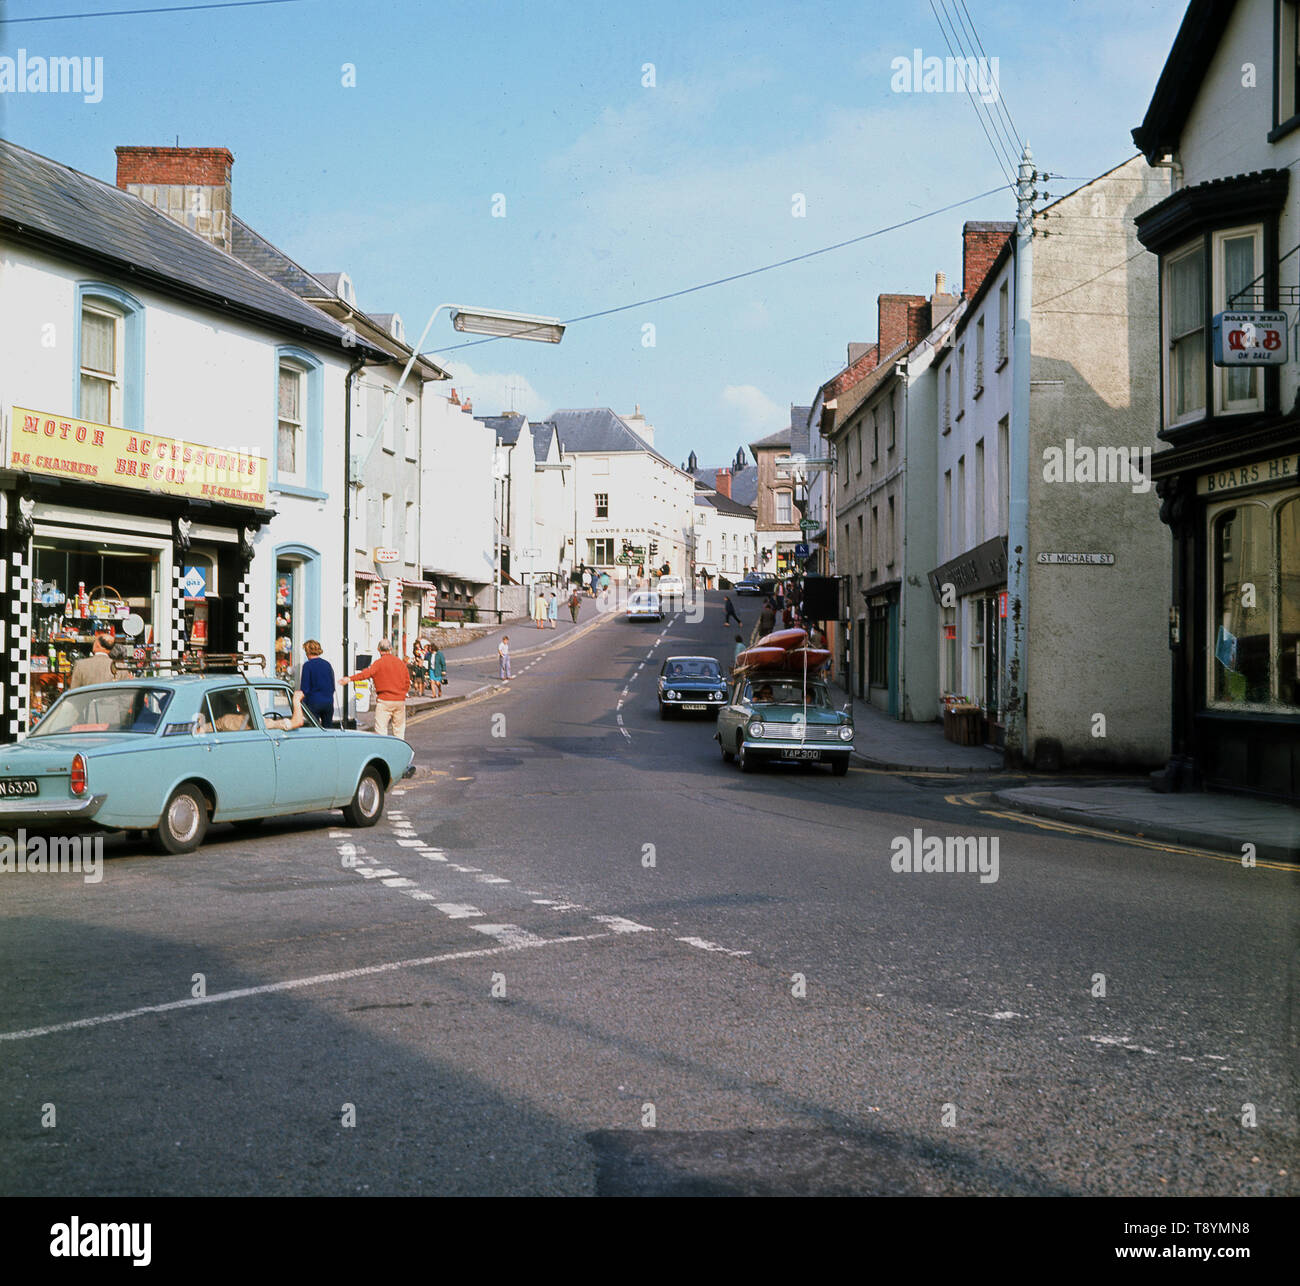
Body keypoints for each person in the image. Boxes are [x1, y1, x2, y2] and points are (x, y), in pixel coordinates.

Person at [339, 638, 411, 739]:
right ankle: (399, 751)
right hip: (399, 700)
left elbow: (365, 674)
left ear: (378, 649)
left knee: (381, 731)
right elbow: (407, 681)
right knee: (399, 730)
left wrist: (350, 679)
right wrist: (403, 693)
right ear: (390, 648)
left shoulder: (378, 663)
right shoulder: (400, 663)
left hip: (384, 701)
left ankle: (383, 752)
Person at [299, 639, 336, 726]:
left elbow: (305, 688)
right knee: (328, 729)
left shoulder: (307, 666)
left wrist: (302, 703)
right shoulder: (327, 664)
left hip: (314, 702)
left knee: (314, 730)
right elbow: (332, 686)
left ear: (307, 651)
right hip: (328, 702)